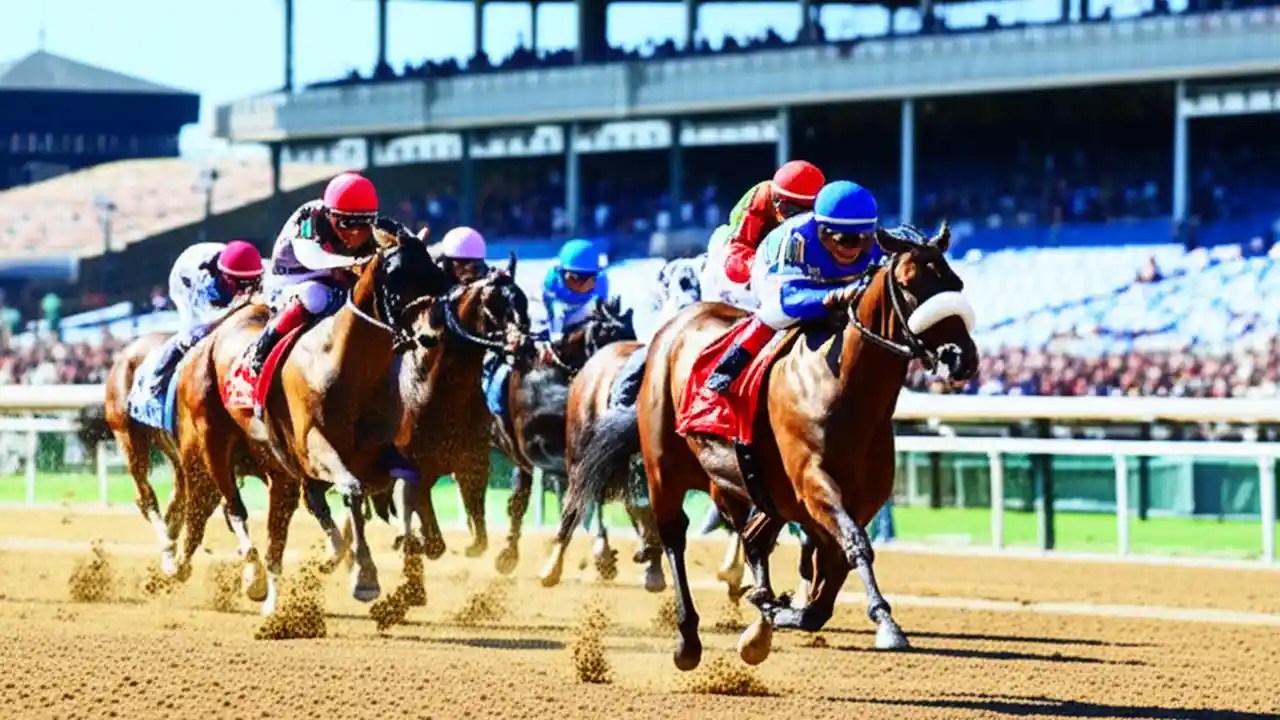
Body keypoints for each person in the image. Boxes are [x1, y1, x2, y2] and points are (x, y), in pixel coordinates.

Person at [701, 179, 883, 395]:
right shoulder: (797, 240)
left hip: (834, 280)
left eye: (864, 239)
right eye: (846, 240)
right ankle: (726, 371)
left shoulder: (874, 241)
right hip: (780, 279)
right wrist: (833, 295)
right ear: (822, 231)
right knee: (776, 315)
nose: (856, 248)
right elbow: (787, 298)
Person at [245, 172, 417, 385]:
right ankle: (261, 350)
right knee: (314, 296)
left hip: (338, 280)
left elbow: (409, 242)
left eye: (363, 223)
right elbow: (311, 257)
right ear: (330, 214)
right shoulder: (309, 218)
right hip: (295, 279)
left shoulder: (377, 224)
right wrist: (356, 263)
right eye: (346, 223)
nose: (355, 232)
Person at [702, 160, 826, 306]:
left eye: (807, 212)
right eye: (792, 211)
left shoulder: (825, 208)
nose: (798, 220)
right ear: (777, 200)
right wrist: (759, 271)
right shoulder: (761, 198)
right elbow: (737, 249)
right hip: (739, 247)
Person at [155, 240, 264, 377]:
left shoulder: (254, 270)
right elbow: (212, 321)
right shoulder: (206, 283)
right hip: (185, 285)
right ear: (224, 276)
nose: (245, 291)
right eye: (240, 285)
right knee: (194, 337)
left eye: (251, 283)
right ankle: (159, 374)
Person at [536, 238, 611, 359]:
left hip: (584, 311)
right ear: (561, 272)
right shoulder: (552, 280)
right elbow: (551, 310)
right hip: (558, 309)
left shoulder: (601, 281)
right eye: (576, 278)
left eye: (588, 277)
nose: (582, 284)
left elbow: (600, 309)